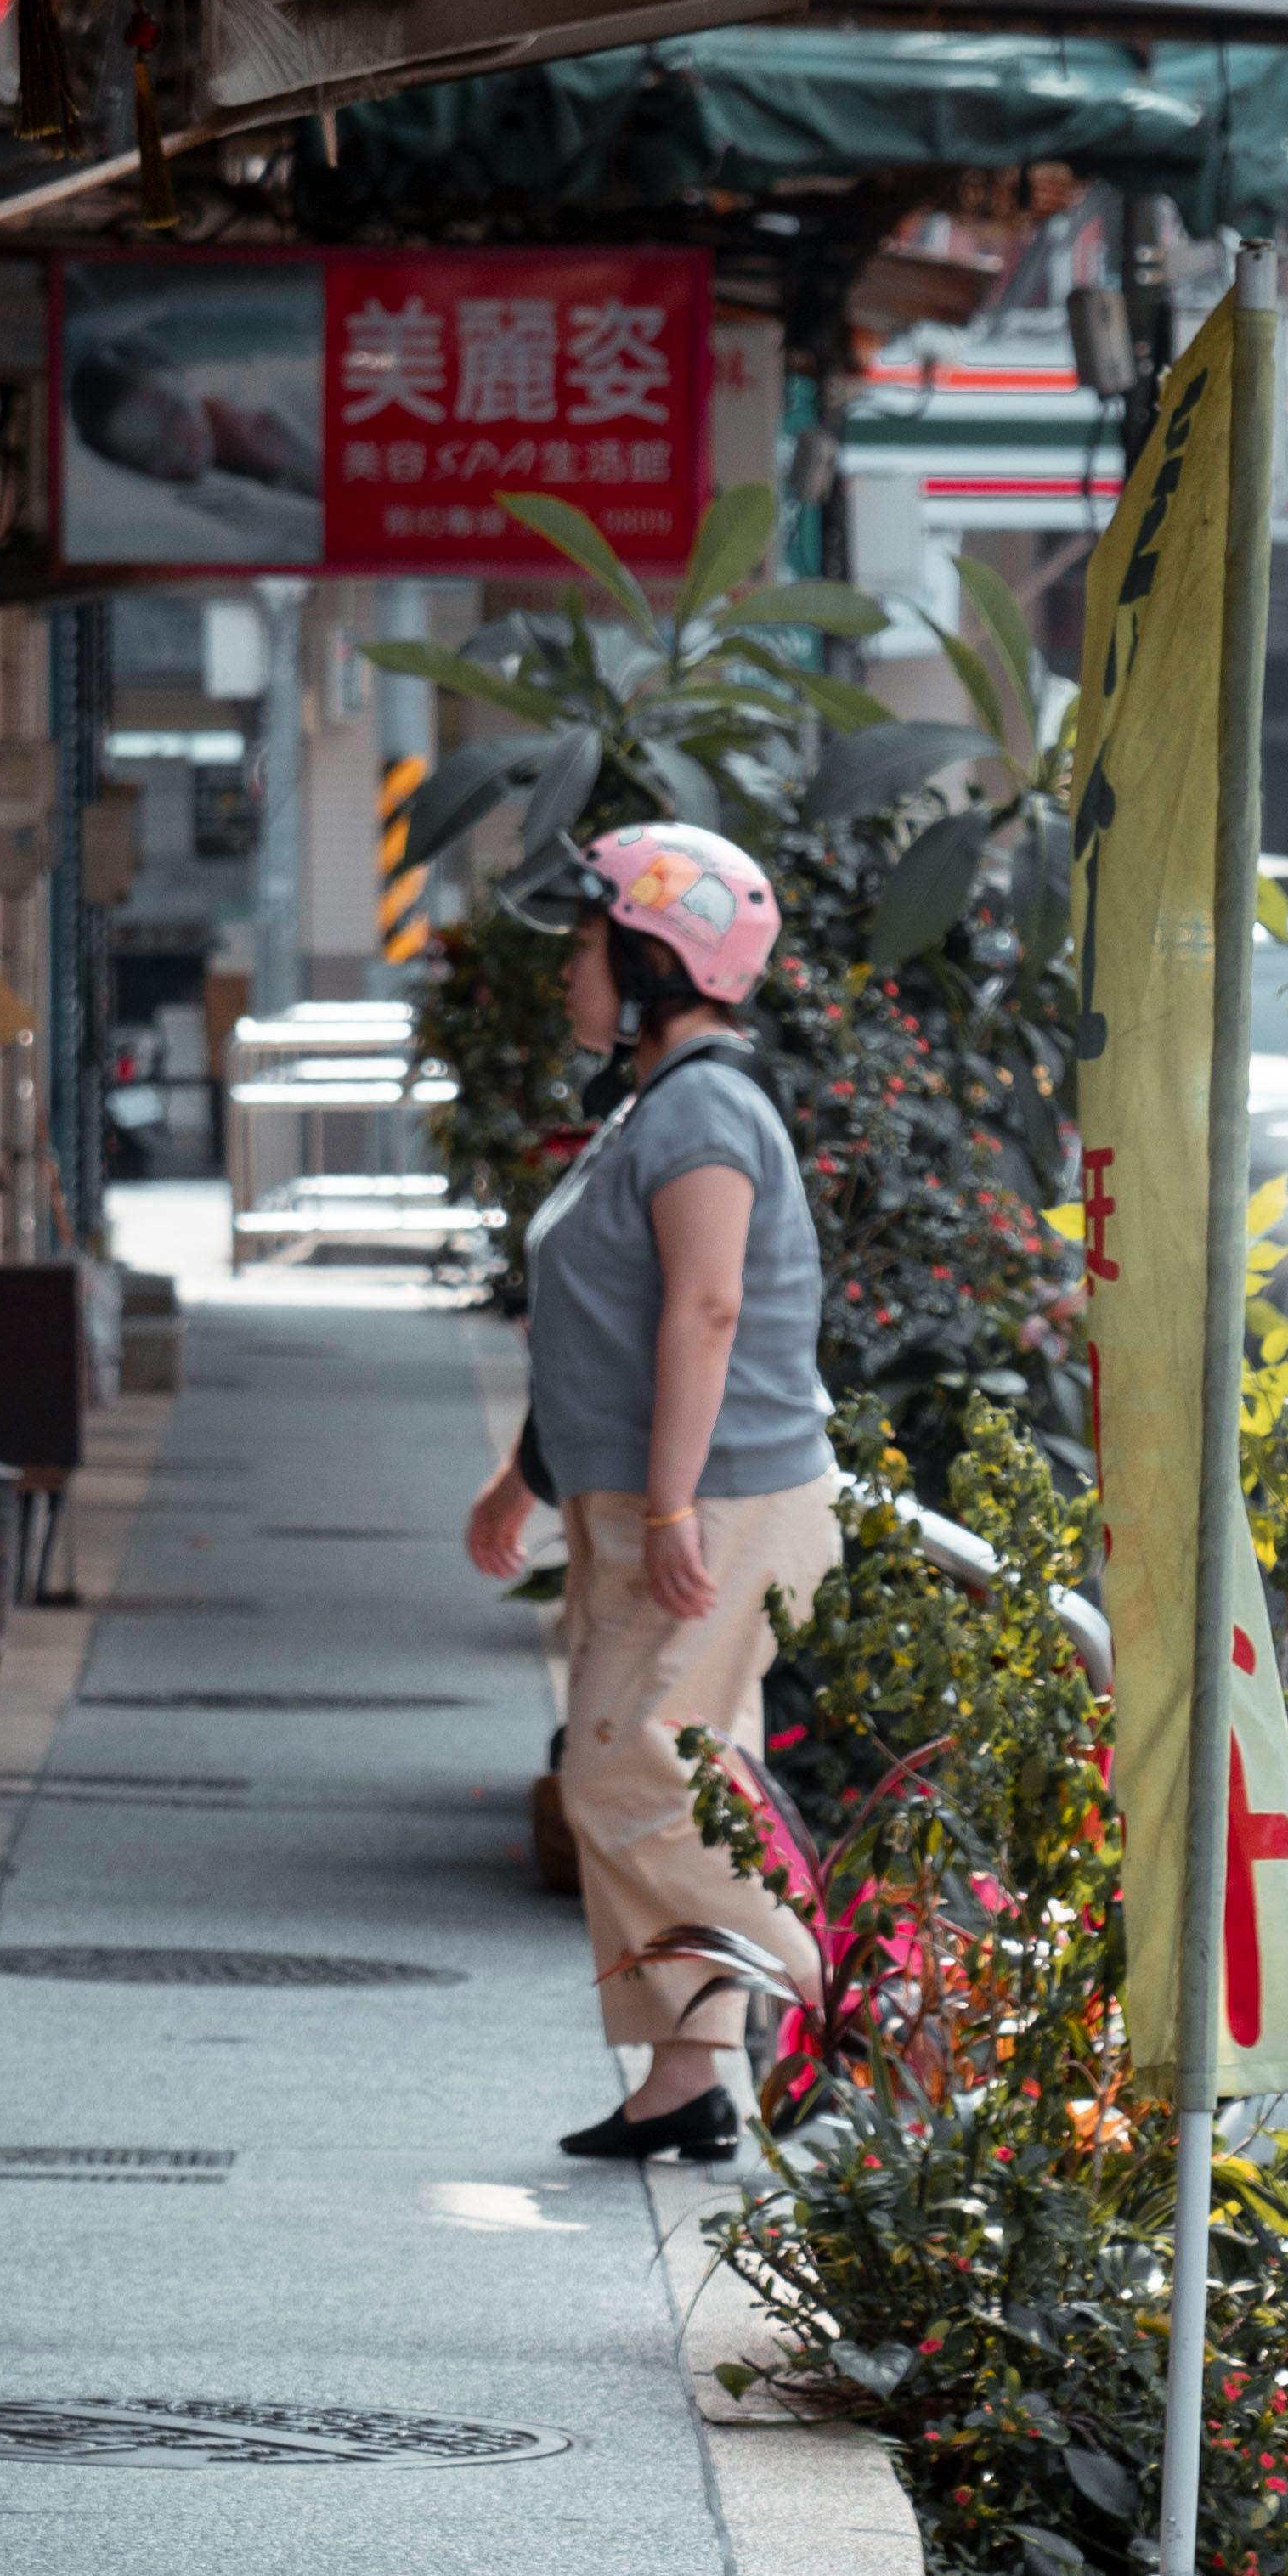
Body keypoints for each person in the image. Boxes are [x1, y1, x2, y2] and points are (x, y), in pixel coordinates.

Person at [457, 821, 839, 2165]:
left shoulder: (709, 1113)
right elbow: (606, 1330)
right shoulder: (657, 1103)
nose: (570, 968)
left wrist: (672, 1505)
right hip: (651, 1498)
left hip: (720, 1504)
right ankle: (686, 2076)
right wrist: (527, 1481)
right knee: (669, 1773)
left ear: (653, 955)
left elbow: (708, 1309)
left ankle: (848, 2003)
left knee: (624, 1774)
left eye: (586, 942)